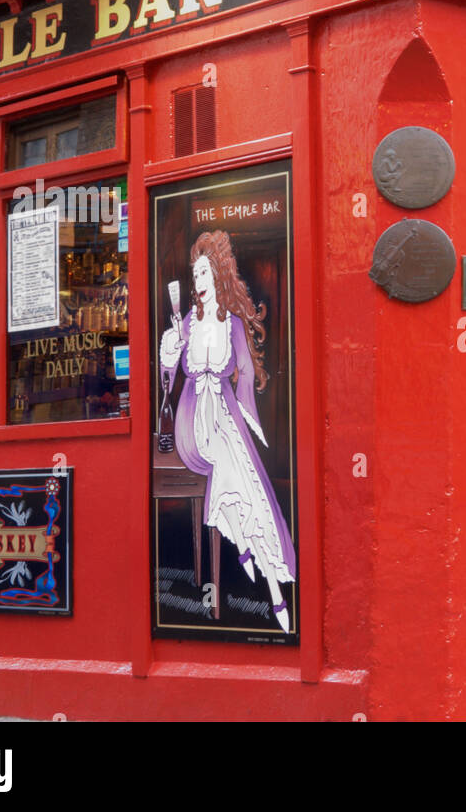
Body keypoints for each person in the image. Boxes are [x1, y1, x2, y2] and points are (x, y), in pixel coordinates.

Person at [159, 230, 298, 634]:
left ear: (218, 275)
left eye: (204, 272)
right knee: (233, 468)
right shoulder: (185, 324)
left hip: (224, 413)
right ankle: (250, 557)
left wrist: (247, 415)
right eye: (195, 273)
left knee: (249, 483)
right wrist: (169, 353)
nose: (198, 280)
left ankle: (267, 575)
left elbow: (247, 371)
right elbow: (167, 383)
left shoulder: (233, 324)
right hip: (192, 419)